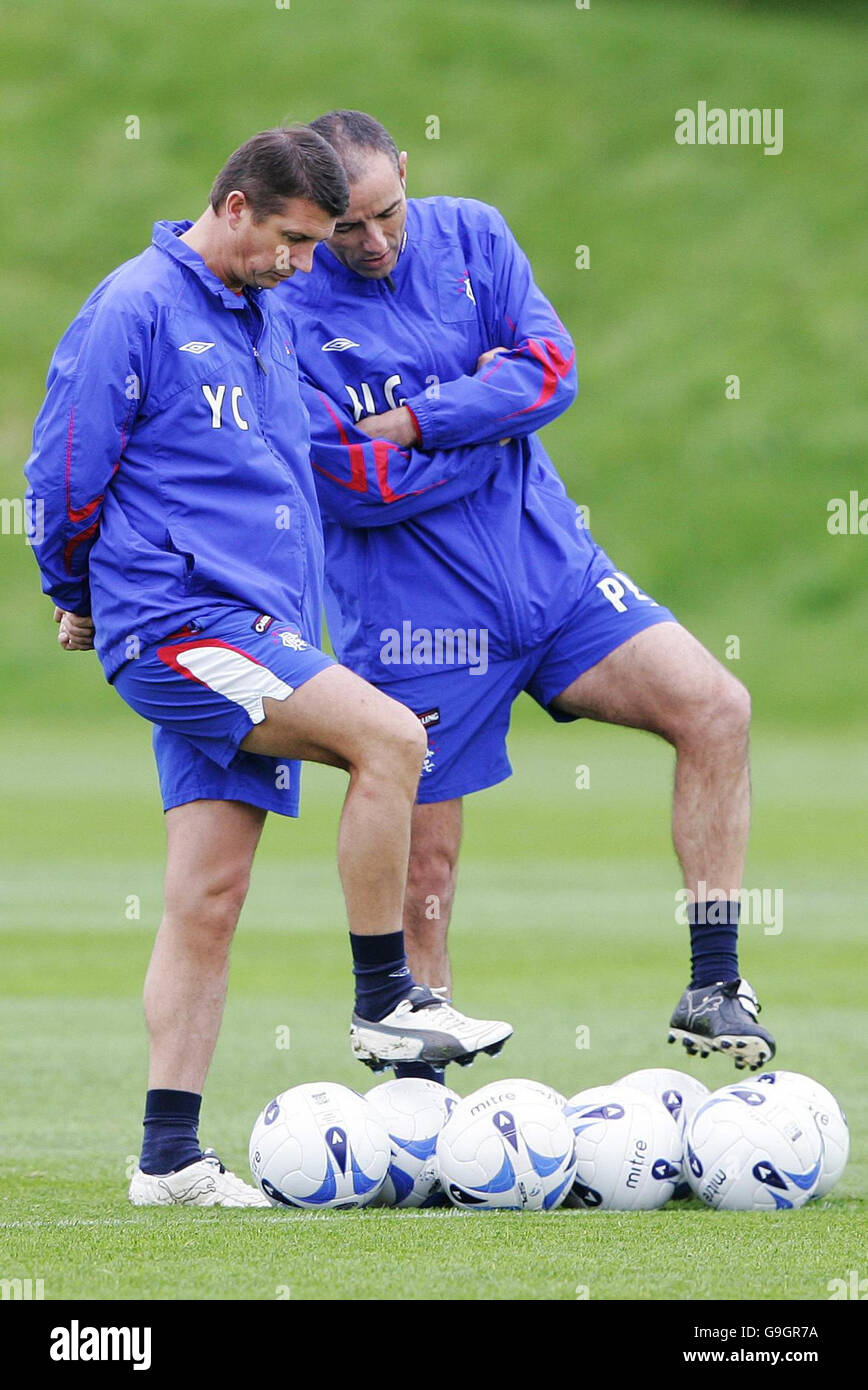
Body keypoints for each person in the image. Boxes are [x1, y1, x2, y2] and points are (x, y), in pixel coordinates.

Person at [25, 126, 512, 1209]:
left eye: (318, 244)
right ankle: (388, 996)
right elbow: (63, 465)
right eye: (293, 241)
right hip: (185, 626)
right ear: (236, 207)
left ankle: (168, 1161)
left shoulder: (258, 315)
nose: (305, 264)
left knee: (206, 895)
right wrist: (76, 588)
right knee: (391, 735)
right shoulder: (135, 305)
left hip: (250, 629)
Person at [280, 110, 776, 1078]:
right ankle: (420, 1084)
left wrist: (418, 421)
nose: (375, 241)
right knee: (427, 864)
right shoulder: (288, 311)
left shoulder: (474, 232)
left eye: (387, 213)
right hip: (418, 618)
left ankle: (714, 983)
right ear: (311, 218)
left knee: (717, 707)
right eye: (347, 227)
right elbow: (346, 482)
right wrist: (485, 421)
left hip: (555, 576)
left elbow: (552, 372)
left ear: (407, 177)